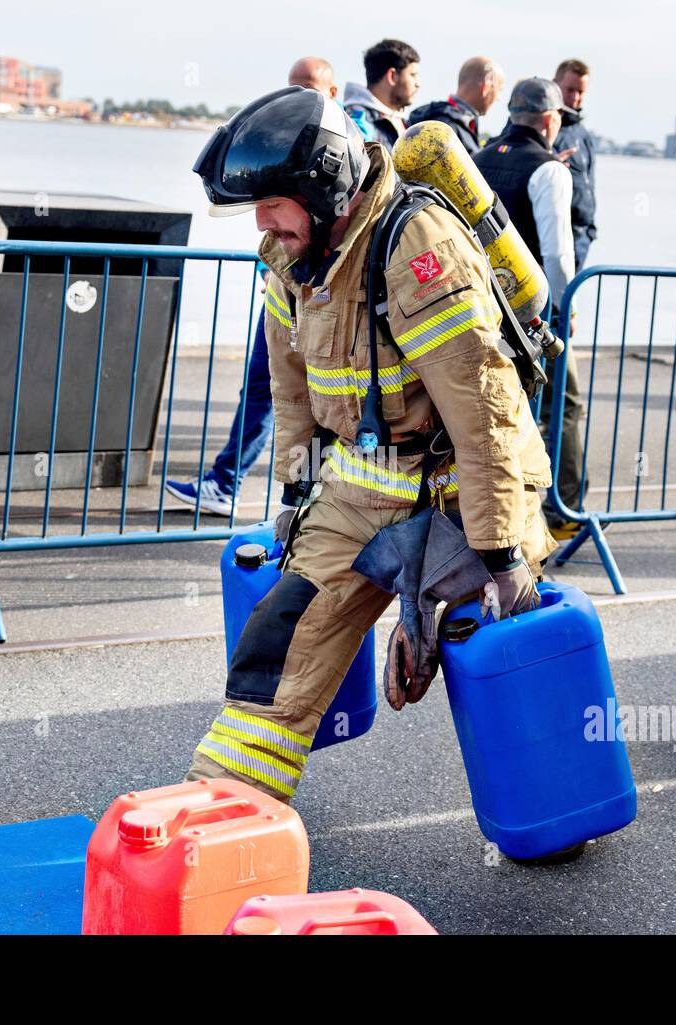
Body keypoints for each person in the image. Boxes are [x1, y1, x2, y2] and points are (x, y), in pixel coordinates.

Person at [184, 87, 556, 801]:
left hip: (463, 493)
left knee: (493, 639)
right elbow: (294, 397)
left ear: (323, 190)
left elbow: (484, 416)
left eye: (272, 201)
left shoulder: (417, 248)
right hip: (361, 492)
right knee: (277, 645)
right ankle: (222, 817)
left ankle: (545, 807)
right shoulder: (288, 256)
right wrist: (297, 492)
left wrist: (502, 557)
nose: (261, 222)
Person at [165, 57, 340, 517]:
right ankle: (249, 486)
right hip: (293, 291)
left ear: (333, 92)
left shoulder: (341, 145)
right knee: (276, 389)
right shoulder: (280, 149)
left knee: (306, 395)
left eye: (309, 88)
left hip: (330, 301)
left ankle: (240, 484)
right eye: (291, 87)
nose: (262, 222)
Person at [477, 78, 584, 536]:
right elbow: (558, 254)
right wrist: (568, 307)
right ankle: (563, 514)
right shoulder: (550, 170)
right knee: (564, 404)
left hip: (479, 309)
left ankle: (493, 517)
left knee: (493, 411)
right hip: (534, 316)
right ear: (548, 120)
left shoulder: (475, 161)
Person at [407, 56, 504, 154]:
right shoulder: (447, 130)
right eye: (499, 90)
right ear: (486, 88)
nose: (498, 98)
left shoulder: (436, 118)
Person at [552, 58, 596, 272]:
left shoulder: (584, 135)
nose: (575, 97)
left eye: (581, 92)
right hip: (557, 237)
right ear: (555, 85)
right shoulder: (547, 129)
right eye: (570, 90)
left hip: (581, 237)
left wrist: (590, 230)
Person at [342, 38, 419, 152]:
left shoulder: (405, 123)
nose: (418, 83)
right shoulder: (356, 121)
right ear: (392, 76)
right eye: (412, 75)